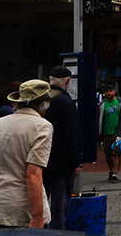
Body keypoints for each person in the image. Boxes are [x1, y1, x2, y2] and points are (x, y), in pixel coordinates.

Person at [0, 79, 57, 231]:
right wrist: (37, 217)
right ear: (44, 105)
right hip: (21, 212)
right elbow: (33, 173)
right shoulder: (42, 126)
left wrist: (3, 171)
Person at [43, 66, 80, 229]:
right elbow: (70, 135)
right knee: (59, 208)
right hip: (61, 164)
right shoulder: (66, 102)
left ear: (49, 79)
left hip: (40, 161)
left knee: (40, 203)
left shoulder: (42, 100)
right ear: (68, 80)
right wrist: (74, 162)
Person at [97, 83, 121, 182]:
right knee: (108, 154)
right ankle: (111, 170)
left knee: (117, 153)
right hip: (106, 133)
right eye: (107, 91)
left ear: (114, 92)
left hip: (118, 132)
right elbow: (99, 119)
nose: (109, 93)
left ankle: (115, 174)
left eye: (110, 91)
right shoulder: (102, 105)